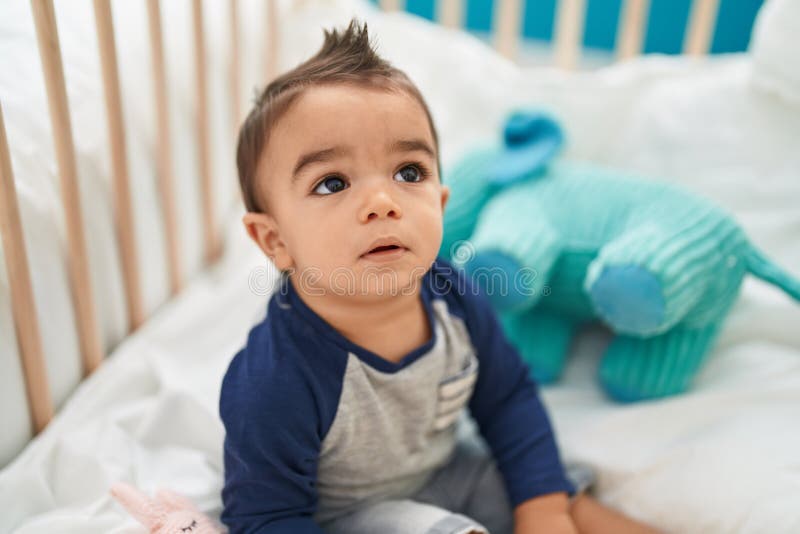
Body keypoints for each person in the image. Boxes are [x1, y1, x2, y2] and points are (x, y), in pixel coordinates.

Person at [220, 19, 658, 534]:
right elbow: (266, 516)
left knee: (569, 502)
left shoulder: (452, 295)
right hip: (354, 514)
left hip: (452, 470)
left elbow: (508, 397)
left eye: (409, 173)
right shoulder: (274, 378)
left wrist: (545, 511)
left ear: (441, 203)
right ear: (275, 241)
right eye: (332, 182)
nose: (382, 203)